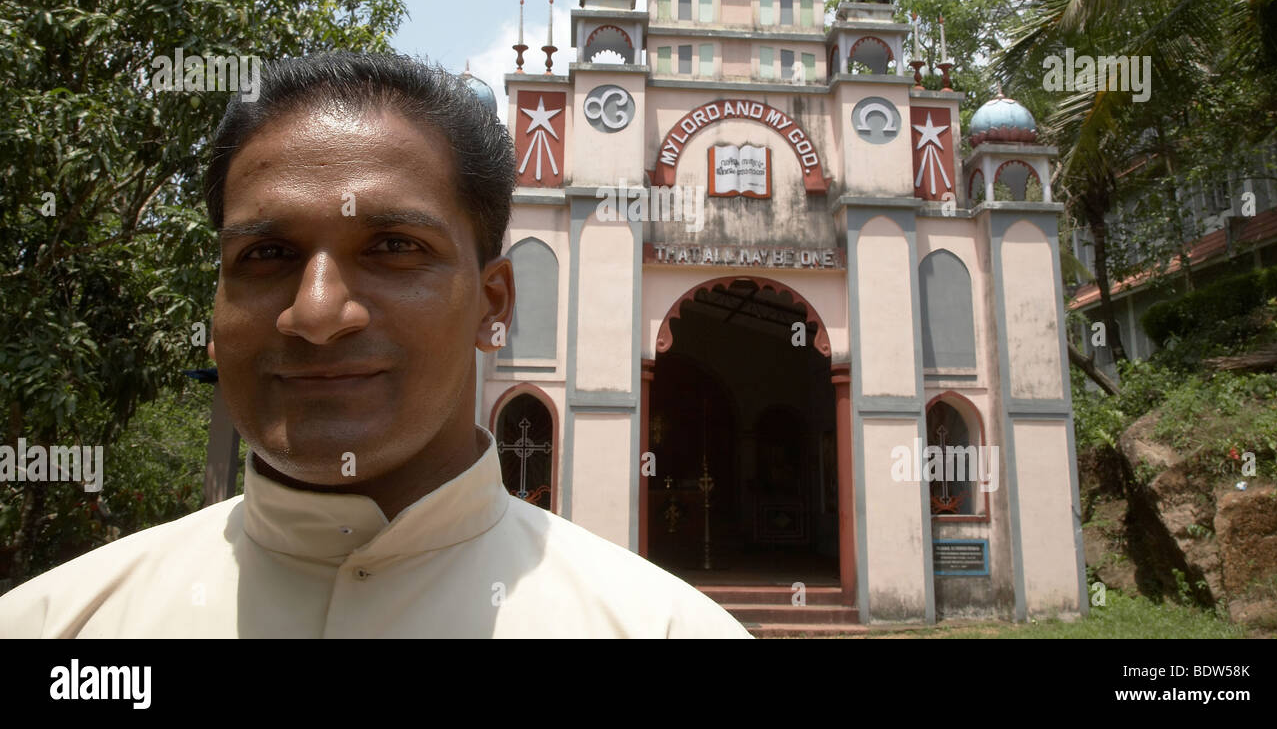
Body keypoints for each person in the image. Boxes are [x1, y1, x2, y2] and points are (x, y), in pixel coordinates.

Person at [0, 53, 751, 638]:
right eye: (266, 257)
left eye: (393, 246)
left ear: (494, 304)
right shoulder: (59, 628)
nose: (318, 313)